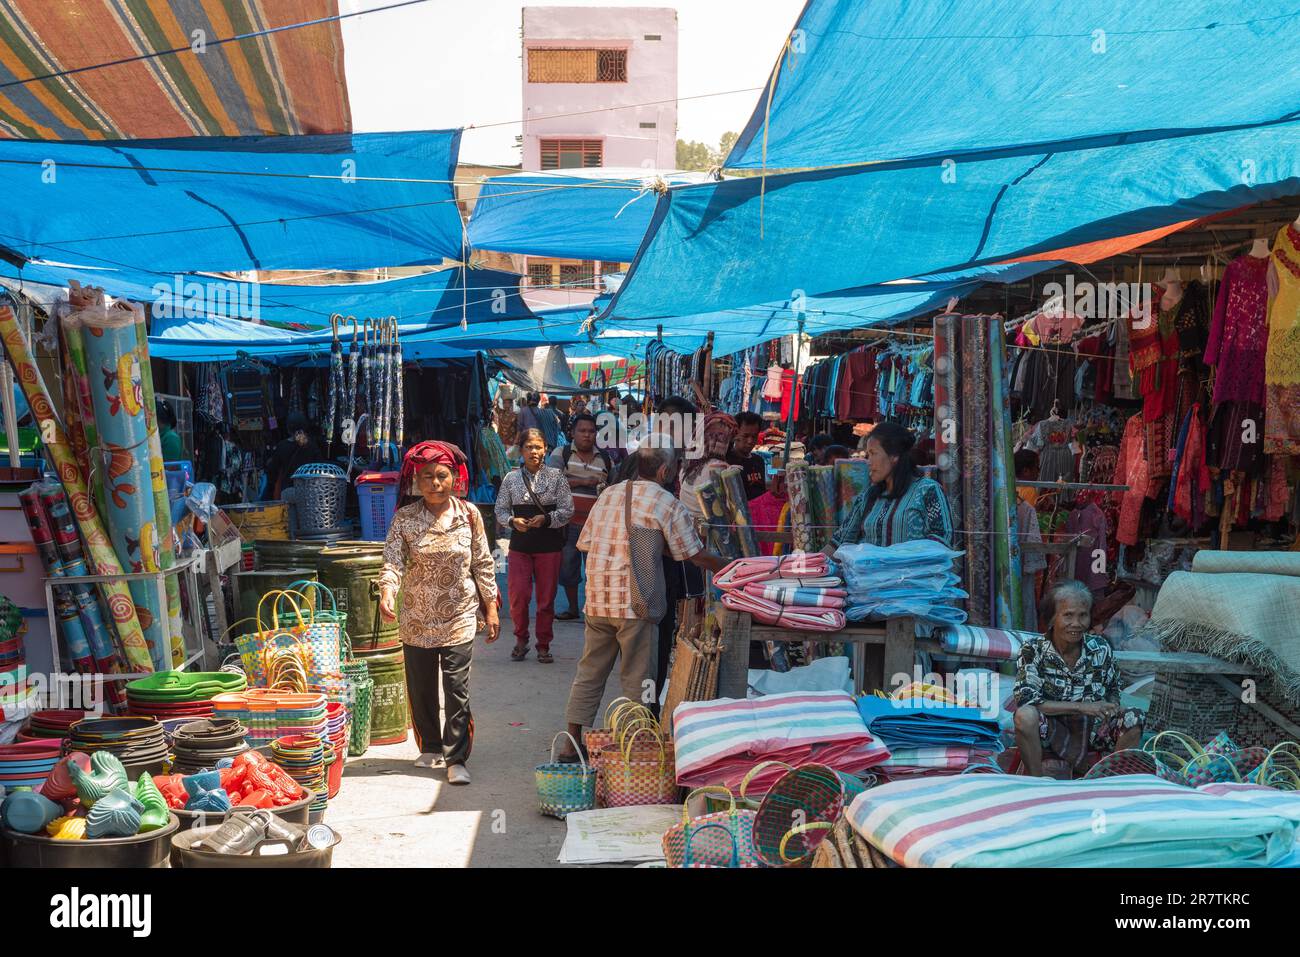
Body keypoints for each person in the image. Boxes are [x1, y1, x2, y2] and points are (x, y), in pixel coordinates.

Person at [556, 445, 728, 760]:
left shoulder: (608, 494)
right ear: (665, 470)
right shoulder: (666, 502)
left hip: (598, 601)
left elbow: (585, 542)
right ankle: (631, 751)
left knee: (590, 672)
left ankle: (571, 742)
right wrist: (730, 566)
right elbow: (694, 555)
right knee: (639, 681)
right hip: (637, 603)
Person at [378, 441, 500, 785]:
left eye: (442, 476)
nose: (435, 483)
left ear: (454, 478)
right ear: (417, 480)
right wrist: (387, 590)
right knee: (422, 688)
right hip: (417, 617)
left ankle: (456, 757)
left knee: (456, 687)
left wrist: (490, 607)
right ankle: (431, 745)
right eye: (427, 476)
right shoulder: (404, 519)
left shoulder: (470, 515)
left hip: (459, 614)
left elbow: (482, 562)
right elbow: (393, 561)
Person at [1013, 581, 1144, 777]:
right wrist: (1082, 707)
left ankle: (1112, 782)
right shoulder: (1033, 650)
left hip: (1092, 729)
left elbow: (1113, 690)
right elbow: (1027, 700)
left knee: (1135, 717)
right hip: (1050, 728)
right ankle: (1036, 781)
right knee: (1025, 716)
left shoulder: (1100, 647)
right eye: (1068, 615)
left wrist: (1110, 707)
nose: (1076, 623)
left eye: (1083, 615)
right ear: (1052, 619)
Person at [494, 429, 573, 663]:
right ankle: (520, 638)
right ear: (521, 450)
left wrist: (546, 519)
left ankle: (543, 644)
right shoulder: (511, 479)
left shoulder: (557, 477)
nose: (534, 451)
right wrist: (512, 521)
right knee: (518, 596)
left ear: (545, 449)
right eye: (529, 447)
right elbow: (500, 510)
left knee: (546, 599)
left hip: (549, 547)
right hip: (520, 546)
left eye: (538, 447)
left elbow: (567, 510)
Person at [826, 421, 953, 550]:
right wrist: (809, 565)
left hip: (915, 570)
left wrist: (903, 559)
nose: (868, 462)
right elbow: (839, 542)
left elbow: (942, 540)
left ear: (894, 456)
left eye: (873, 453)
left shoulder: (928, 491)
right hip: (871, 570)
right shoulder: (868, 497)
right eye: (868, 455)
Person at [548, 412, 613, 620]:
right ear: (573, 433)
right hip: (568, 524)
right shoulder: (562, 453)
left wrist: (572, 480)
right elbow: (552, 484)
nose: (587, 435)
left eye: (591, 431)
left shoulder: (605, 459)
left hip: (596, 526)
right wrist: (585, 482)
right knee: (568, 569)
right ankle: (573, 607)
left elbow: (611, 488)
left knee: (596, 570)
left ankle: (593, 610)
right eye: (582, 431)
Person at [678, 411, 736, 520]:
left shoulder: (688, 464)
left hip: (687, 526)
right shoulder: (720, 468)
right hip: (710, 532)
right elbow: (732, 513)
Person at [264, 412, 323, 500]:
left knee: (289, 514)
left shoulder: (282, 446)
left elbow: (273, 471)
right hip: (307, 490)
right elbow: (320, 467)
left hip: (288, 490)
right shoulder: (311, 445)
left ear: (288, 428)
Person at [727, 411, 767, 500]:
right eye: (745, 436)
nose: (750, 441)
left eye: (754, 436)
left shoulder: (759, 460)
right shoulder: (727, 462)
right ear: (735, 434)